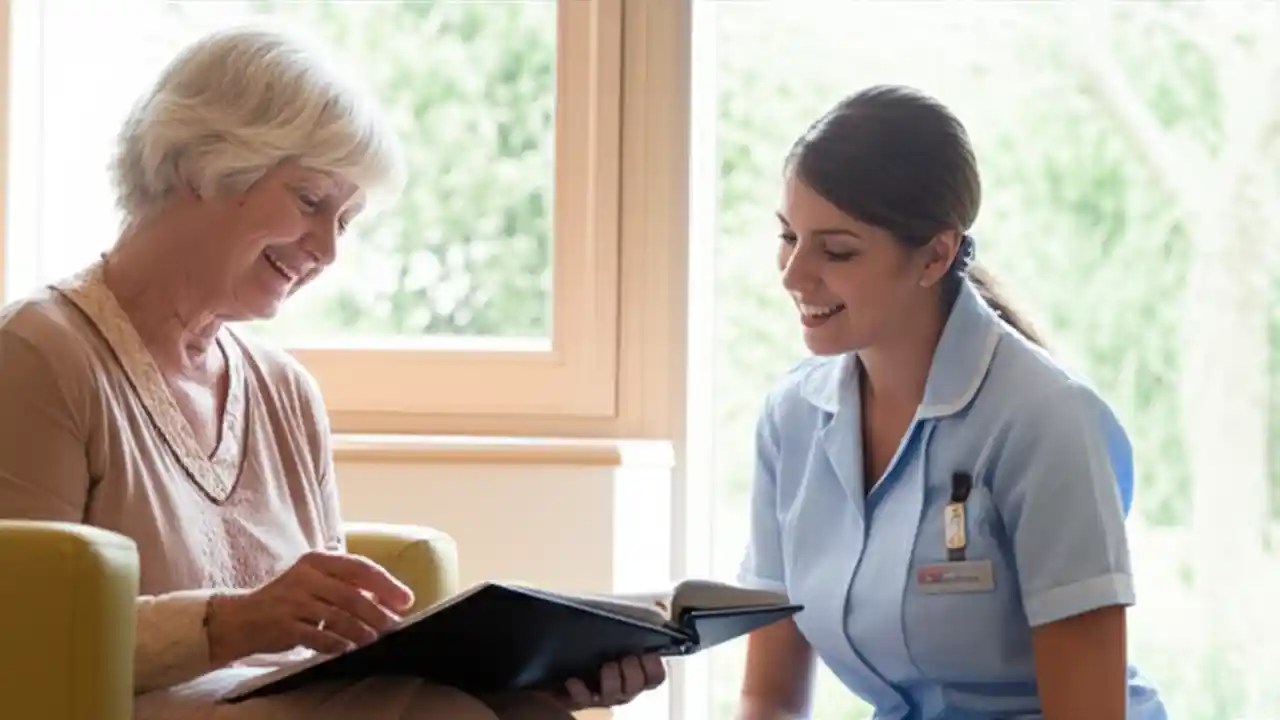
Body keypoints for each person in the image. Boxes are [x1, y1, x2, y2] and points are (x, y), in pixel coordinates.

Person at [0, 26, 664, 720]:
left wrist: (520, 680)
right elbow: (21, 636)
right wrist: (232, 624)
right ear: (203, 165)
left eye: (346, 221)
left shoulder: (285, 393)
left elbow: (340, 662)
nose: (326, 250)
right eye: (311, 202)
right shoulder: (41, 354)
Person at [734, 85, 1168, 719]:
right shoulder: (790, 420)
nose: (794, 275)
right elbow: (767, 699)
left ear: (936, 254)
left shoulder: (1044, 422)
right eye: (787, 236)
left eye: (836, 250)